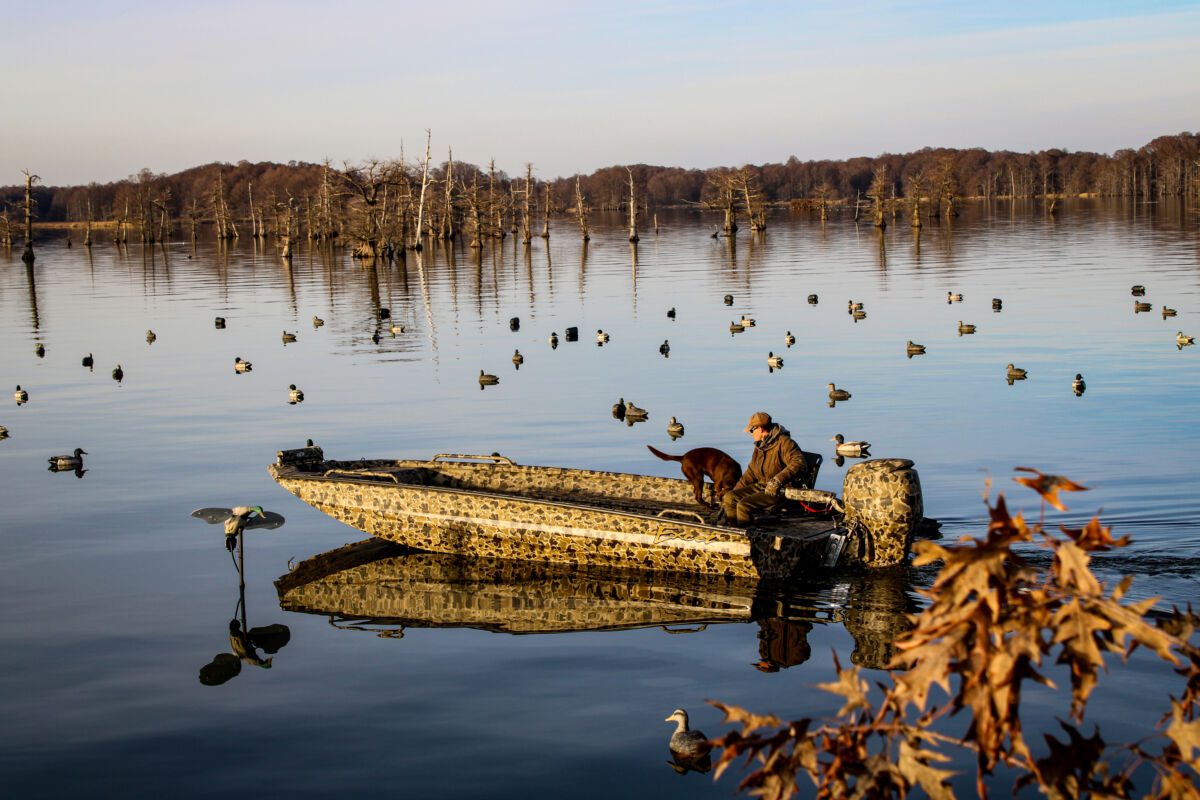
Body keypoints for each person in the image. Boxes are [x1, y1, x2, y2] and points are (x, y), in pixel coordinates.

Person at [721, 412, 808, 527]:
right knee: (729, 498)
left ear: (760, 429)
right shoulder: (760, 446)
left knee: (743, 505)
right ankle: (733, 529)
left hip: (780, 489)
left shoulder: (785, 442)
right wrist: (734, 492)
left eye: (752, 430)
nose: (751, 434)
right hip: (762, 485)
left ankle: (746, 533)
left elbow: (799, 463)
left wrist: (778, 480)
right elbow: (750, 473)